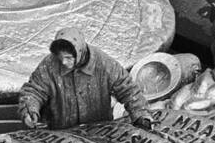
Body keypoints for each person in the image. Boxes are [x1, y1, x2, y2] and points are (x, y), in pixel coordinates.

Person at [18, 29, 154, 131]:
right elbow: (34, 90)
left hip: (98, 132)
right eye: (60, 58)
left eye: (69, 58)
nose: (64, 62)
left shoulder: (103, 63)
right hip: (62, 134)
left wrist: (141, 114)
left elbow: (127, 88)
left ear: (80, 51)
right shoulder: (49, 64)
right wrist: (30, 110)